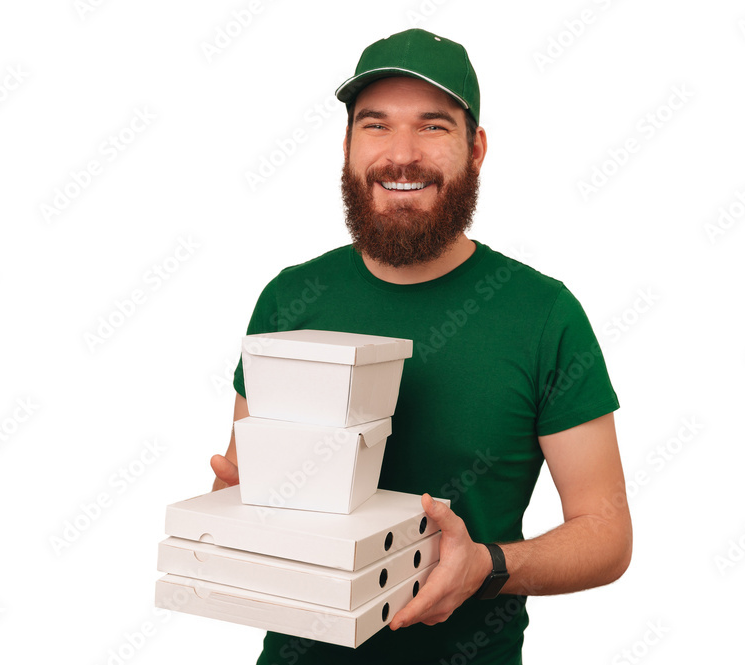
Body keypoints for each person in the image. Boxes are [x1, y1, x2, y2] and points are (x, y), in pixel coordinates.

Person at [211, 28, 631, 665]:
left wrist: (485, 568)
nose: (400, 155)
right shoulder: (289, 300)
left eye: (432, 126)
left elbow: (606, 535)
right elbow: (249, 482)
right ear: (348, 146)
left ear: (476, 149)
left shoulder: (543, 315)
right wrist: (237, 515)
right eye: (375, 125)